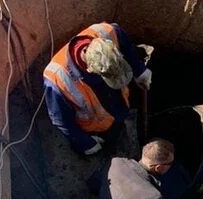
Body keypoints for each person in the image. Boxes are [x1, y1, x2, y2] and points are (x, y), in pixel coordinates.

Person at [43, 22, 152, 155]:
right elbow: (62, 120)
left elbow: (127, 47)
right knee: (108, 145)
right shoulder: (57, 80)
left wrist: (140, 70)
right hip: (98, 129)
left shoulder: (107, 32)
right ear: (90, 69)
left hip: (118, 105)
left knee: (120, 116)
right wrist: (86, 143)